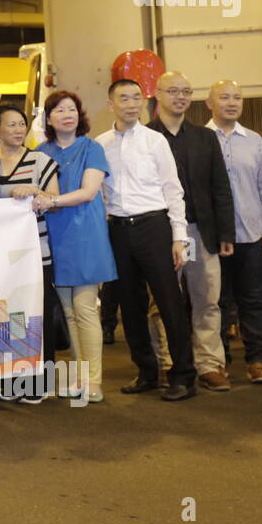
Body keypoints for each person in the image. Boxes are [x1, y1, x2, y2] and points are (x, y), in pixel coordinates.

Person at [96, 79, 196, 402]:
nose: (130, 103)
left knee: (170, 302)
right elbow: (98, 194)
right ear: (110, 103)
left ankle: (183, 376)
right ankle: (146, 371)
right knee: (131, 305)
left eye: (136, 98)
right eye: (123, 98)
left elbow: (173, 190)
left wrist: (179, 237)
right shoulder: (100, 144)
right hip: (118, 229)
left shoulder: (156, 141)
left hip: (155, 226)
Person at [147, 71, 236, 392]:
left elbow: (220, 188)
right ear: (157, 94)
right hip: (161, 234)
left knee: (208, 300)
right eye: (173, 91)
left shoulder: (204, 137)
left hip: (202, 231)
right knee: (161, 303)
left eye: (186, 91)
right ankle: (168, 364)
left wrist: (226, 233)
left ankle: (209, 364)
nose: (180, 97)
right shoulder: (145, 138)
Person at [36, 90, 116, 404]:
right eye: (59, 110)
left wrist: (51, 200)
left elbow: (88, 191)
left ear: (79, 115)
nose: (66, 115)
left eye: (71, 109)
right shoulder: (41, 151)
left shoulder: (91, 148)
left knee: (84, 309)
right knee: (67, 313)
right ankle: (81, 377)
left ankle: (94, 380)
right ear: (49, 118)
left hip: (85, 235)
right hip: (53, 236)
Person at [0, 103, 63, 404]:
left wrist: (35, 193)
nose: (18, 130)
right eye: (11, 124)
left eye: (21, 124)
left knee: (36, 317)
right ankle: (10, 380)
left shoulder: (39, 160)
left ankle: (40, 382)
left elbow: (54, 200)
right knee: (5, 319)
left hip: (34, 252)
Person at [205, 79, 262, 384]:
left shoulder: (255, 141)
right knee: (217, 302)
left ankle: (258, 361)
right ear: (210, 103)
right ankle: (218, 361)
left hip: (250, 234)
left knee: (254, 300)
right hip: (212, 237)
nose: (232, 102)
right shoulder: (200, 139)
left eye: (237, 97)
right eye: (224, 97)